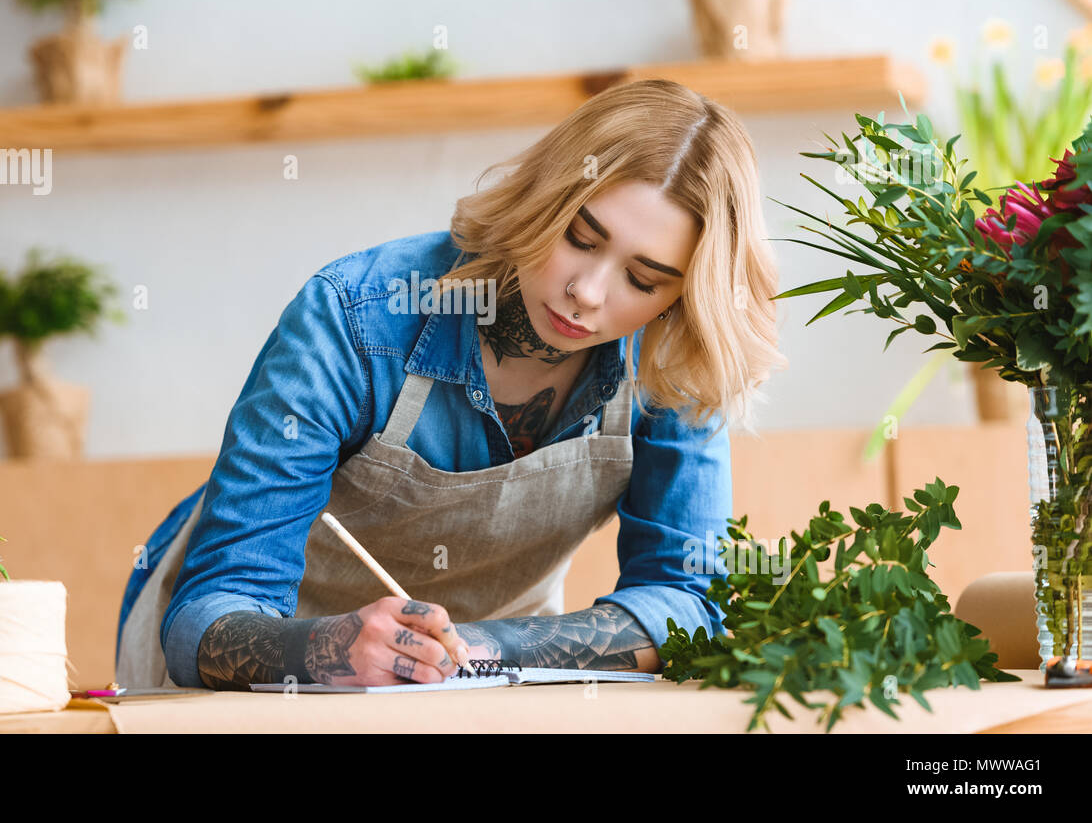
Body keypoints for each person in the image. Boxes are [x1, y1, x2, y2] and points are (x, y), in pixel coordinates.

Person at [115, 78, 788, 690]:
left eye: (643, 280)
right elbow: (212, 611)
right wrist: (329, 648)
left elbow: (687, 600)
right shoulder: (357, 315)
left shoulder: (674, 359)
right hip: (273, 672)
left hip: (489, 674)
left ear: (683, 295)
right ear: (546, 194)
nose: (587, 292)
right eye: (580, 237)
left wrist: (484, 644)